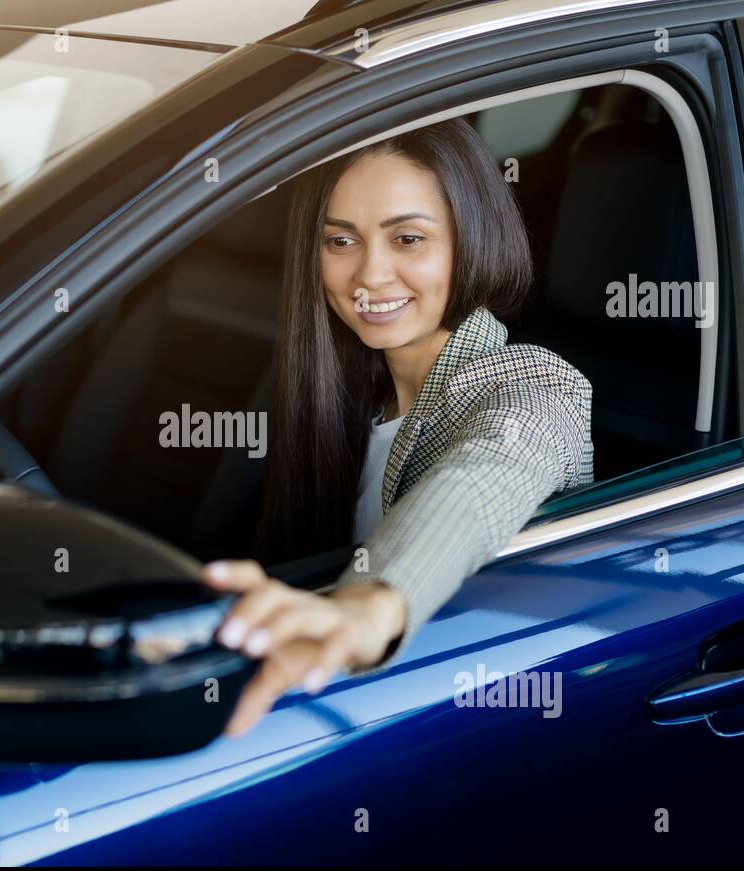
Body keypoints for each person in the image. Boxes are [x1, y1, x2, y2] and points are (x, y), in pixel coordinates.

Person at [202, 118, 594, 736]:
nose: (370, 276)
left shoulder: (535, 385)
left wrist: (369, 602)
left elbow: (481, 481)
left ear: (471, 240)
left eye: (408, 239)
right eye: (340, 242)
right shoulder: (344, 397)